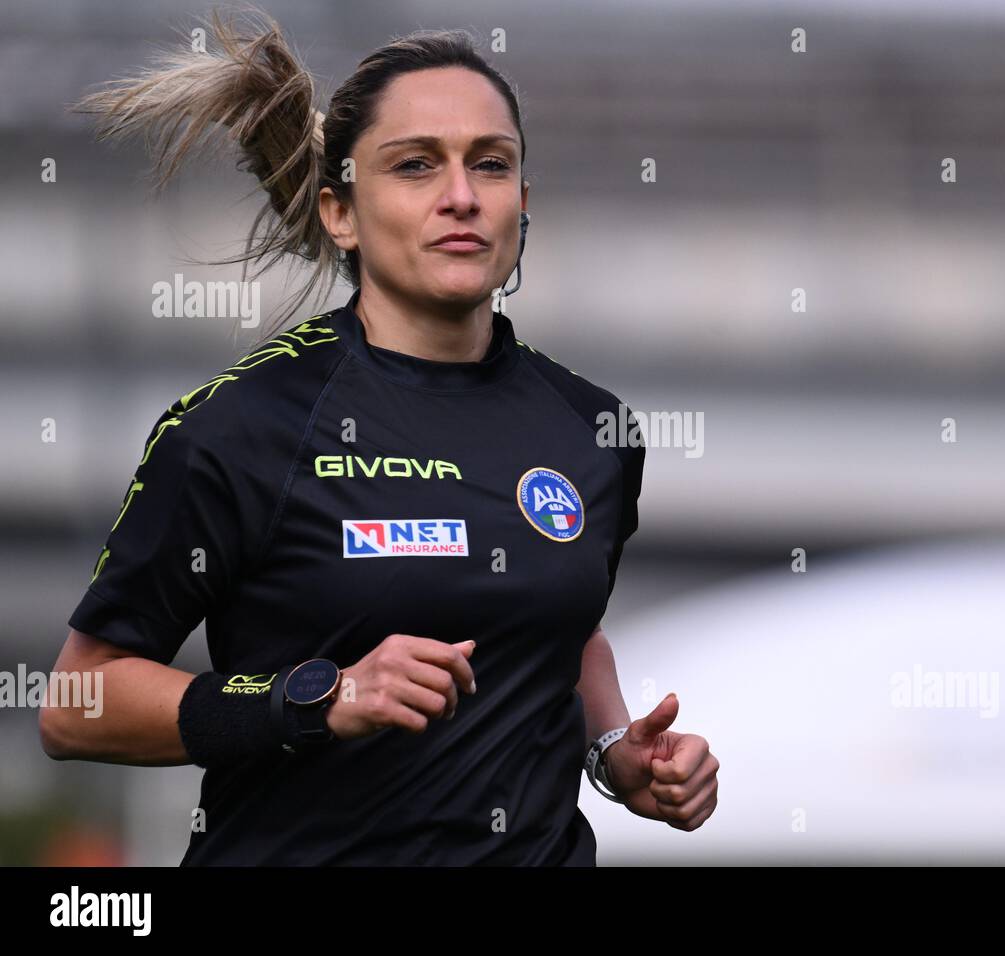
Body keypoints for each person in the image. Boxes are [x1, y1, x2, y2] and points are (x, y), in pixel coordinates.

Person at [40, 9, 719, 865]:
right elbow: (75, 703)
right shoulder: (239, 428)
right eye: (415, 166)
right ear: (340, 212)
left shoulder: (591, 427)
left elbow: (562, 630)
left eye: (491, 164)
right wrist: (316, 697)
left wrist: (616, 753)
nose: (462, 194)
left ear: (521, 203)